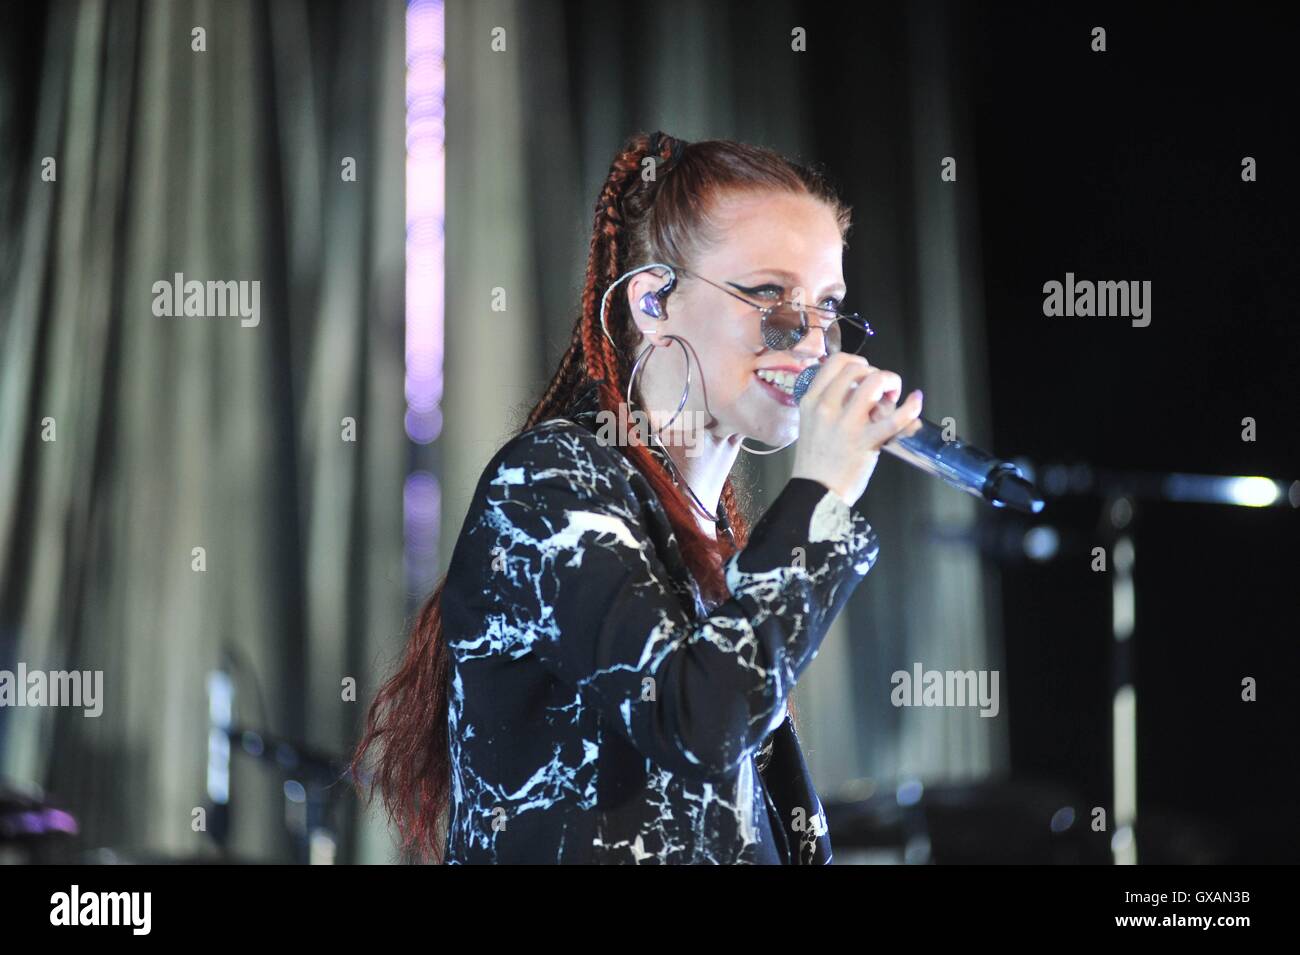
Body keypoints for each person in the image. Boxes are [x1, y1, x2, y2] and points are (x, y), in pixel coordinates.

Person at [353, 131, 923, 864]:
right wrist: (820, 494)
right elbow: (696, 719)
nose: (812, 342)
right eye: (771, 296)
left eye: (827, 307)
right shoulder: (549, 486)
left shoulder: (713, 551)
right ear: (654, 300)